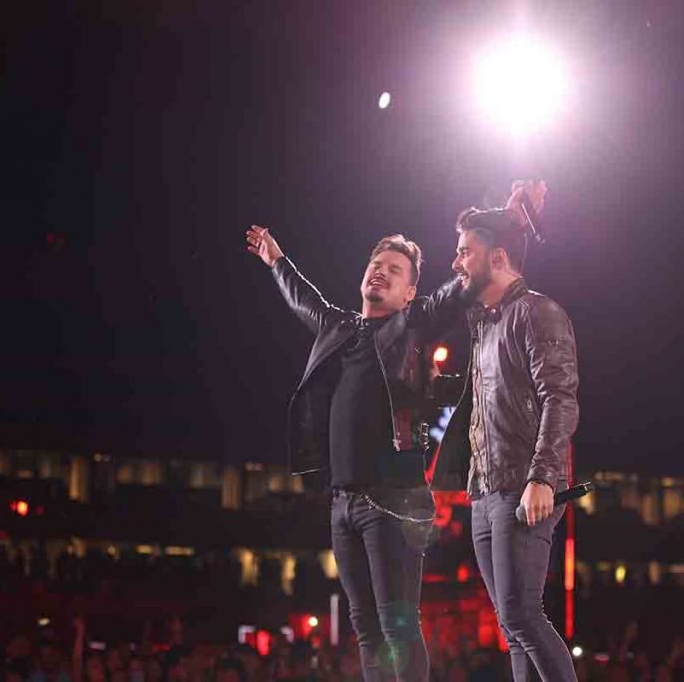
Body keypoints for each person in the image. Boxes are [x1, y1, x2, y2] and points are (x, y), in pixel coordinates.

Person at [245, 226, 474, 681]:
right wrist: (276, 260)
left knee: (397, 626)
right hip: (342, 502)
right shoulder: (339, 328)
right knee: (366, 629)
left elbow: (455, 294)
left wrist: (495, 235)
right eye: (376, 265)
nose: (381, 273)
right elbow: (303, 299)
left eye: (395, 270)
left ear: (410, 293)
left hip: (394, 498)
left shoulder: (413, 326)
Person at [432, 180, 580, 681]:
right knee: (510, 623)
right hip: (485, 491)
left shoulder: (539, 312)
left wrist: (543, 477)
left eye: (464, 252)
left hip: (525, 485)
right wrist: (513, 218)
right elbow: (463, 295)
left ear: (495, 258)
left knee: (521, 614)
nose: (455, 263)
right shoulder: (484, 322)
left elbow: (560, 399)